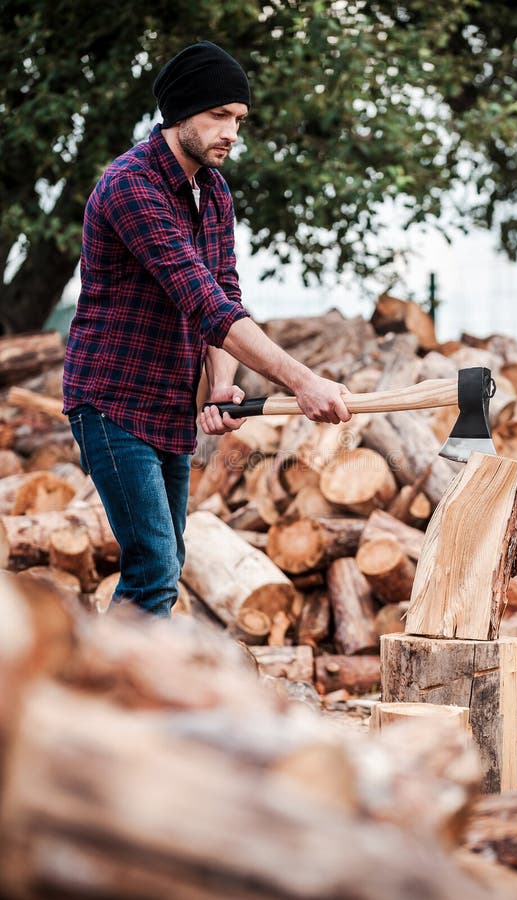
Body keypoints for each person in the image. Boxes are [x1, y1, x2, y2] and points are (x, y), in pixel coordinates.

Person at [62, 41, 350, 617]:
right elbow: (205, 305)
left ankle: (118, 671)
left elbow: (224, 294)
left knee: (165, 562)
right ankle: (99, 675)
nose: (232, 133)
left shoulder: (213, 192)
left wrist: (220, 385)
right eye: (219, 115)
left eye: (238, 119)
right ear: (179, 113)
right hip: (112, 403)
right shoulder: (130, 186)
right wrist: (302, 381)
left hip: (169, 404)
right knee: (154, 569)